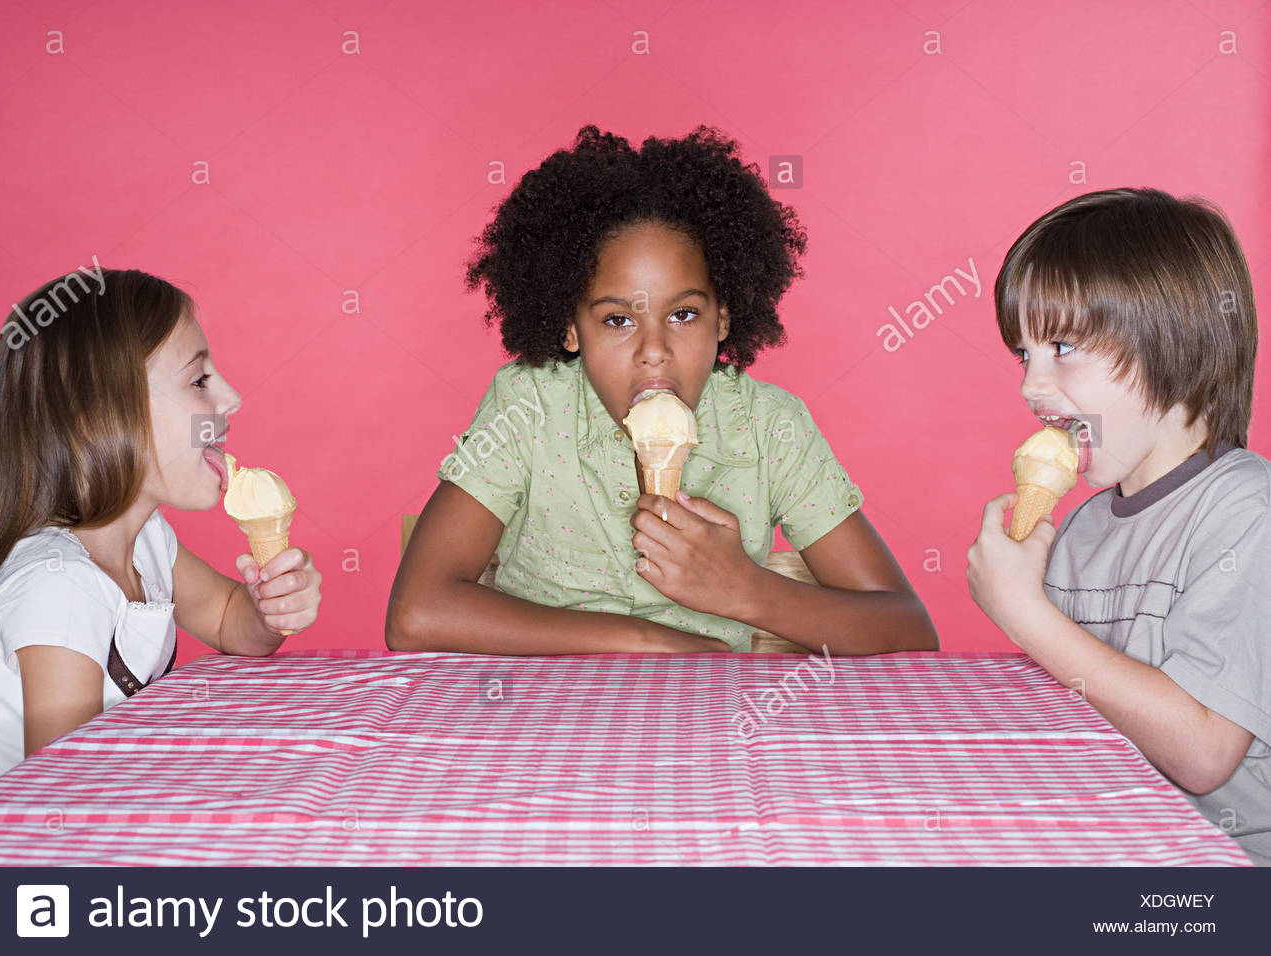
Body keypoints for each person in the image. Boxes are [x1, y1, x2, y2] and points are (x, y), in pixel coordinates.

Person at [388, 126, 937, 656]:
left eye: (683, 314)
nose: (655, 350)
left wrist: (747, 590)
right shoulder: (528, 405)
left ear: (723, 319)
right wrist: (643, 639)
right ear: (570, 328)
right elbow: (417, 613)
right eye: (617, 321)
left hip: (717, 725)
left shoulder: (771, 427)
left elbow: (907, 629)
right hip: (544, 720)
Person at [966, 188, 1269, 865]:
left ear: (1178, 337)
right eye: (1024, 355)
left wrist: (1025, 615)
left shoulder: (1247, 515)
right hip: (1114, 844)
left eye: (1062, 346)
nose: (1029, 386)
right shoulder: (1082, 530)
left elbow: (1204, 753)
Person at [0, 268, 323, 791]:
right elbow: (63, 790)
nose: (231, 399)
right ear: (97, 415)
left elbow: (229, 621)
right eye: (199, 380)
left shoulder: (147, 541)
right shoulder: (57, 583)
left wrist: (266, 610)